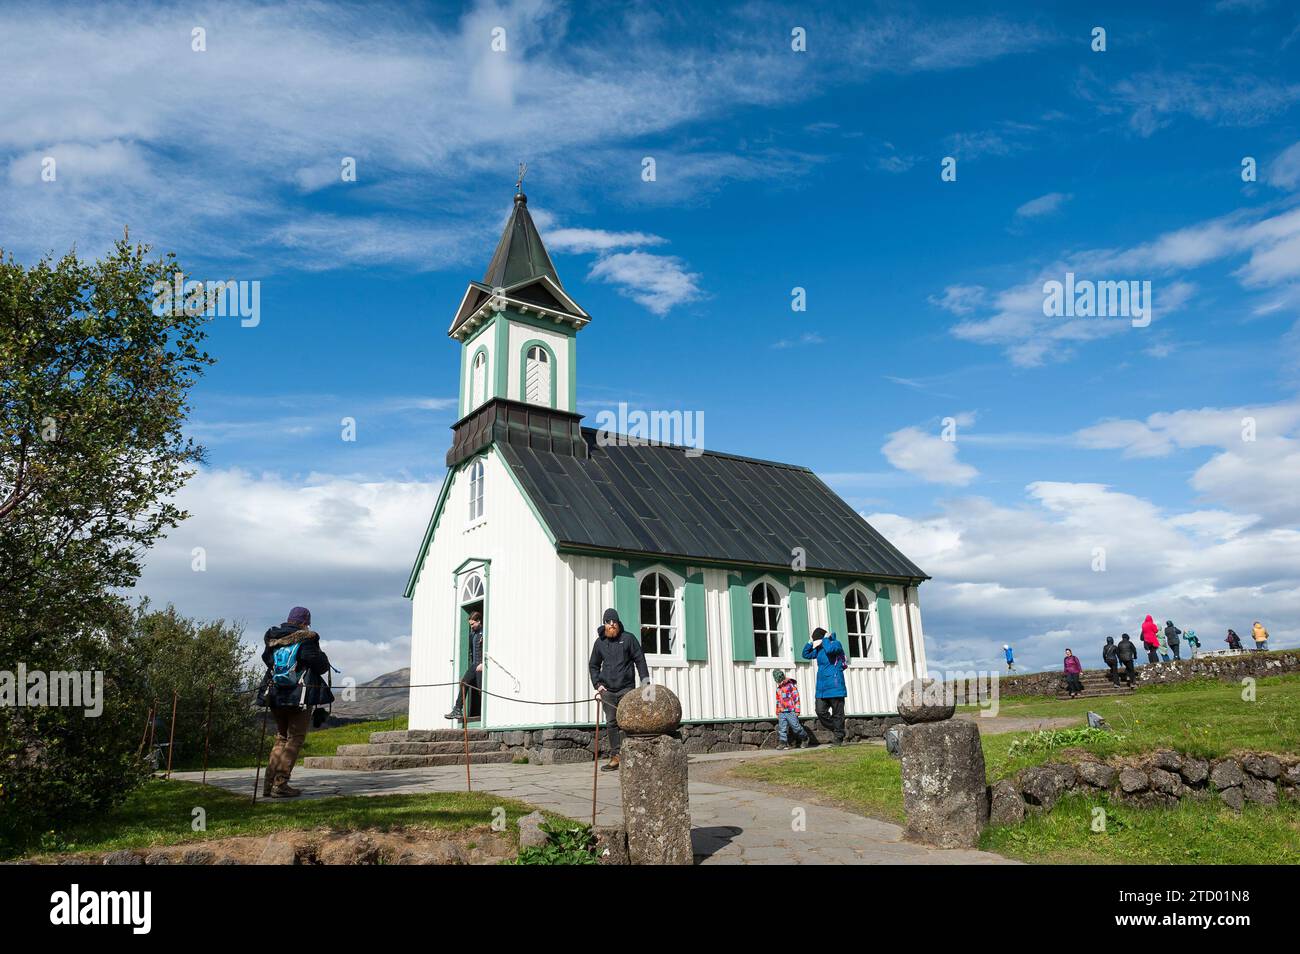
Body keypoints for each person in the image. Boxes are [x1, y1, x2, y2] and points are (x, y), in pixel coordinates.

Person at [257, 606, 334, 798]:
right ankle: (281, 784)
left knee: (281, 737)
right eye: (307, 623)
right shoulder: (307, 639)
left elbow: (268, 661)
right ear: (304, 622)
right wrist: (323, 657)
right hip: (299, 695)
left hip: (275, 694)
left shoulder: (273, 638)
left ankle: (268, 784)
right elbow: (321, 666)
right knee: (295, 738)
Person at [589, 608, 650, 772]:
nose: (612, 625)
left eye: (614, 622)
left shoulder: (628, 639)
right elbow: (593, 665)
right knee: (611, 723)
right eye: (609, 622)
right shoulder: (599, 643)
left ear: (618, 623)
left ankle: (631, 756)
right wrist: (598, 685)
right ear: (605, 624)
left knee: (628, 722)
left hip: (626, 689)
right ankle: (616, 757)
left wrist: (646, 685)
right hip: (607, 691)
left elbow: (640, 661)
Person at [802, 627, 847, 746]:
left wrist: (826, 639)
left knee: (838, 714)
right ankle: (838, 729)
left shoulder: (835, 644)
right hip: (822, 688)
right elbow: (805, 654)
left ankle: (838, 737)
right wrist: (810, 642)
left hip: (835, 685)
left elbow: (830, 650)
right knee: (820, 711)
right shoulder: (819, 648)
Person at [444, 610, 485, 722]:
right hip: (474, 664)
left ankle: (487, 713)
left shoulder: (485, 632)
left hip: (482, 665)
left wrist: (483, 663)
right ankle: (457, 710)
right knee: (463, 683)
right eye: (470, 624)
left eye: (472, 624)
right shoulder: (472, 635)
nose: (471, 627)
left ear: (479, 621)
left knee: (480, 690)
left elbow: (488, 648)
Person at [772, 669, 809, 750]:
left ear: (783, 678)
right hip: (782, 712)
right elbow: (778, 701)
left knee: (796, 727)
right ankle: (783, 743)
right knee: (782, 728)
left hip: (791, 711)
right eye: (777, 682)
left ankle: (804, 738)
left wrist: (797, 710)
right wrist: (777, 712)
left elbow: (796, 698)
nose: (779, 683)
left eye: (780, 681)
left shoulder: (791, 686)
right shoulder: (778, 689)